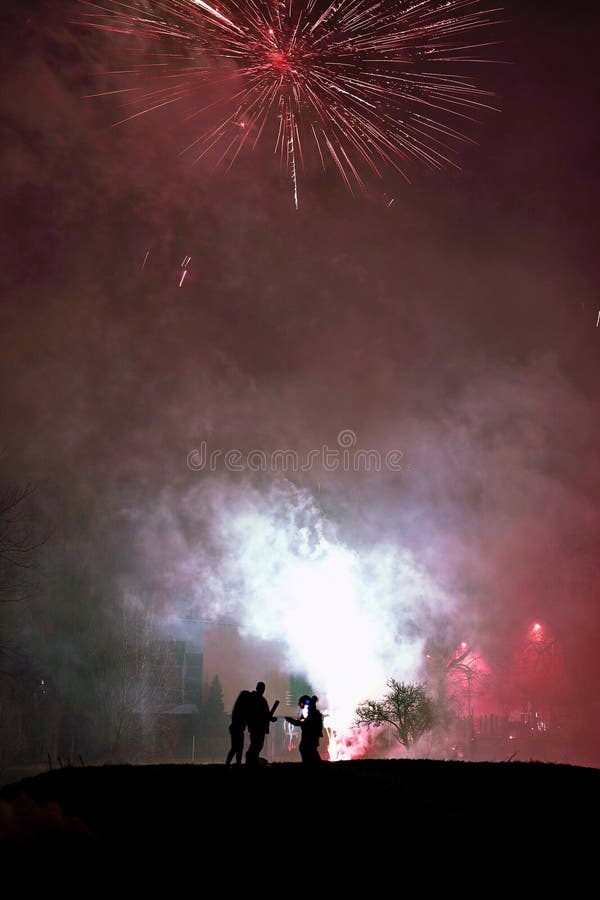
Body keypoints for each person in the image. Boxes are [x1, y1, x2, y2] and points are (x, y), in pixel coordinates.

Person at [245, 681, 278, 765]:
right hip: (259, 727)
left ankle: (251, 760)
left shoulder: (252, 699)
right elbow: (264, 715)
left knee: (255, 744)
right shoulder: (261, 700)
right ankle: (252, 761)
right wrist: (271, 718)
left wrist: (269, 718)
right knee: (258, 745)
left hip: (254, 727)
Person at [286, 694, 323, 764]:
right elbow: (302, 721)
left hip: (309, 741)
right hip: (311, 741)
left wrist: (290, 720)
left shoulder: (312, 716)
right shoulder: (313, 715)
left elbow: (301, 723)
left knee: (310, 756)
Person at [225, 689, 251, 766]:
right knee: (238, 748)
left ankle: (229, 763)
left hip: (235, 728)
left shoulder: (238, 707)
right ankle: (235, 763)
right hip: (238, 729)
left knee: (235, 747)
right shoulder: (243, 708)